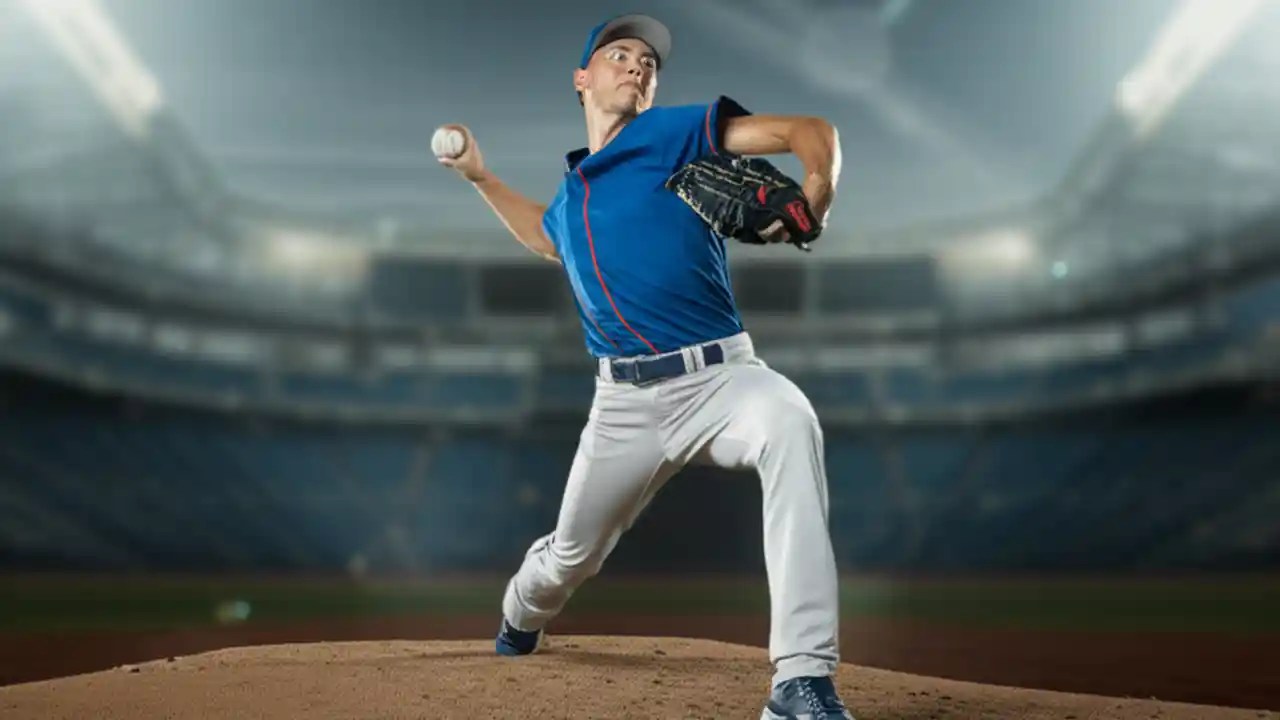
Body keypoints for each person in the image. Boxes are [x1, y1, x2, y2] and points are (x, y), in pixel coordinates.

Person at [436, 13, 851, 719]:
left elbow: (811, 130)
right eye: (619, 54)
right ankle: (520, 616)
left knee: (790, 421)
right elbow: (544, 236)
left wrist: (817, 185)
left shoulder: (672, 134)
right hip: (623, 405)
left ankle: (801, 680)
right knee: (569, 560)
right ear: (582, 79)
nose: (636, 65)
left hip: (723, 378)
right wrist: (479, 176)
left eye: (647, 63)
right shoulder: (573, 196)